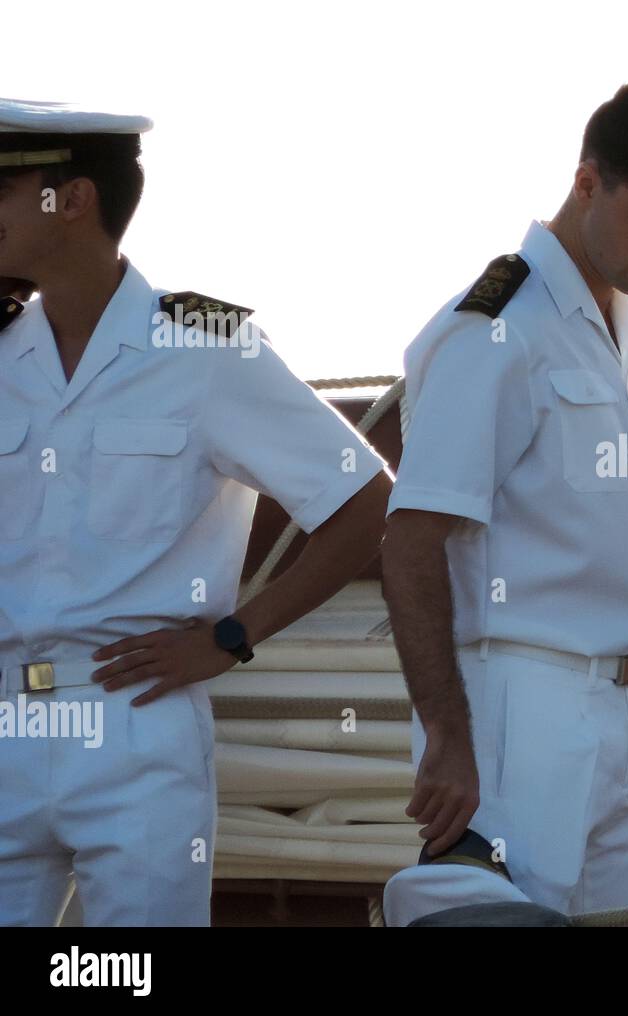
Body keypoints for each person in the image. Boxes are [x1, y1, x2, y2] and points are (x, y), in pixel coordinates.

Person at [0, 98, 393, 926]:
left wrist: (231, 639)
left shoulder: (206, 350)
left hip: (134, 723)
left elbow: (364, 499)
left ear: (71, 200)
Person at [382, 79, 628, 919]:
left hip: (623, 715)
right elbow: (411, 539)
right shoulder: (497, 328)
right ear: (587, 183)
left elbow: (611, 561)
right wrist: (449, 737)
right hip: (518, 717)